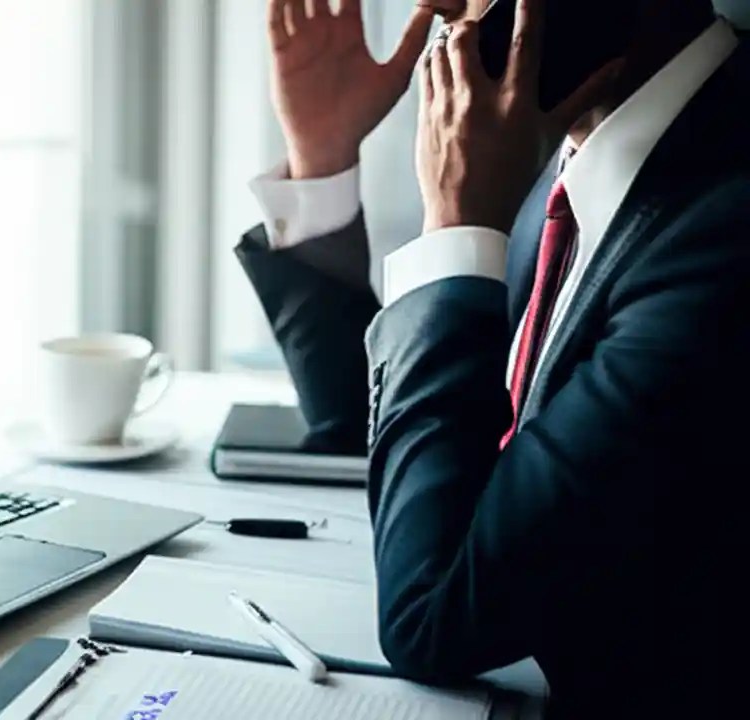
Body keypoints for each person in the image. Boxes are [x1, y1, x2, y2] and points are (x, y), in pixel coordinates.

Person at [237, 0, 747, 714]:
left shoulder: (723, 232)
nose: (439, 7)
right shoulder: (578, 144)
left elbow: (432, 617)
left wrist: (457, 227)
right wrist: (325, 160)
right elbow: (382, 432)